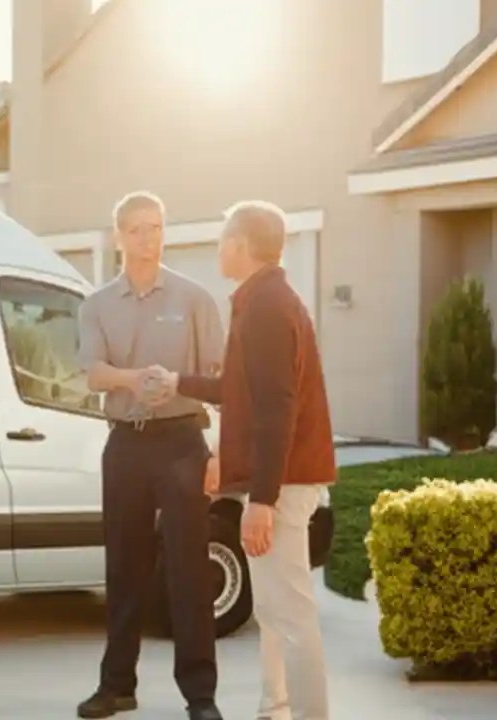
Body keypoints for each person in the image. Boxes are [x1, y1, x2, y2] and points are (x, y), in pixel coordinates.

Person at [153, 200, 336, 720]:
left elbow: (277, 410)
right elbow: (241, 390)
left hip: (280, 484)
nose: (217, 249)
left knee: (291, 615)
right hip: (276, 481)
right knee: (275, 614)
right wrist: (177, 385)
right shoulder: (264, 301)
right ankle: (274, 709)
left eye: (220, 239)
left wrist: (260, 500)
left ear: (238, 245)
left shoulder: (267, 308)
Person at [75, 191, 226, 720]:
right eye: (137, 229)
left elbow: (223, 381)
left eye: (156, 227)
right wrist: (136, 379)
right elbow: (93, 372)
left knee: (189, 570)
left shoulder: (195, 299)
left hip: (184, 441)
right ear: (118, 236)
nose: (148, 238)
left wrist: (219, 452)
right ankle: (117, 686)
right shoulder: (96, 304)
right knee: (124, 567)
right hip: (126, 443)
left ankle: (201, 696)